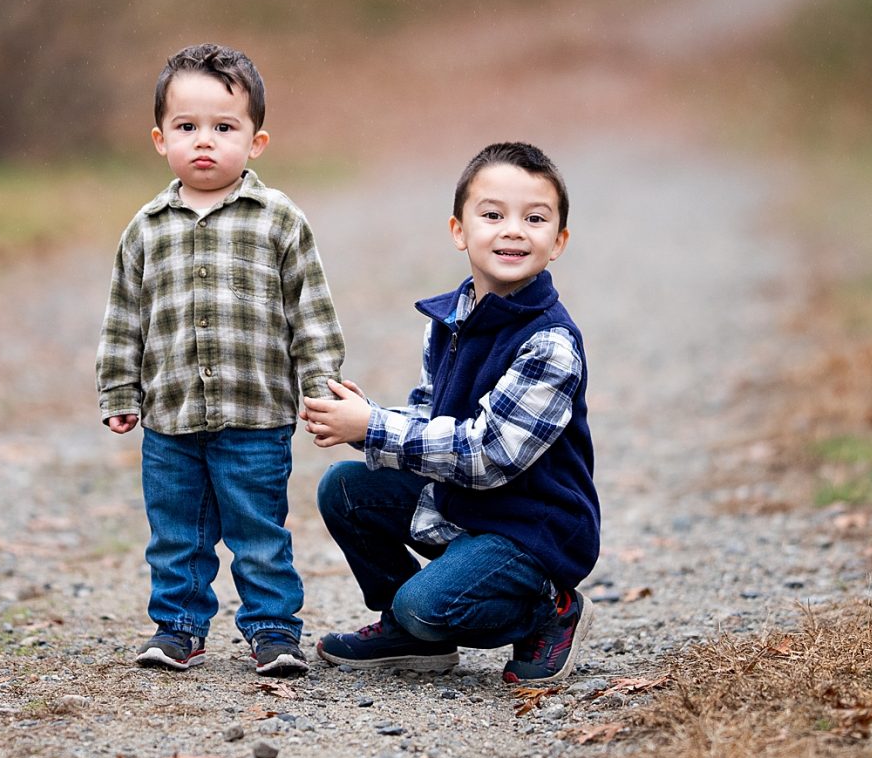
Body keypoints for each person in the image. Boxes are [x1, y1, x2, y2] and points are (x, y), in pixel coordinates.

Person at [301, 139, 598, 690]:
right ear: (459, 230)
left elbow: (488, 454)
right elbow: (427, 418)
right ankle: (408, 636)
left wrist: (373, 427)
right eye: (492, 215)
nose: (513, 230)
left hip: (530, 529)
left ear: (557, 242)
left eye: (534, 219)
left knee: (429, 606)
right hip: (467, 509)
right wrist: (363, 420)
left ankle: (546, 608)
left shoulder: (550, 343)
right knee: (346, 487)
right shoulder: (450, 319)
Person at [97, 42, 346, 681]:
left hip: (256, 413)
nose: (204, 142)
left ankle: (273, 632)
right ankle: (177, 628)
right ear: (160, 139)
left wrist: (322, 387)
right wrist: (119, 391)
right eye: (187, 128)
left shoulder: (279, 221)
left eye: (224, 128)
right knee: (176, 533)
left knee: (259, 530)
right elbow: (125, 316)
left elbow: (311, 313)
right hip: (170, 418)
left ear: (256, 141)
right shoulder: (146, 228)